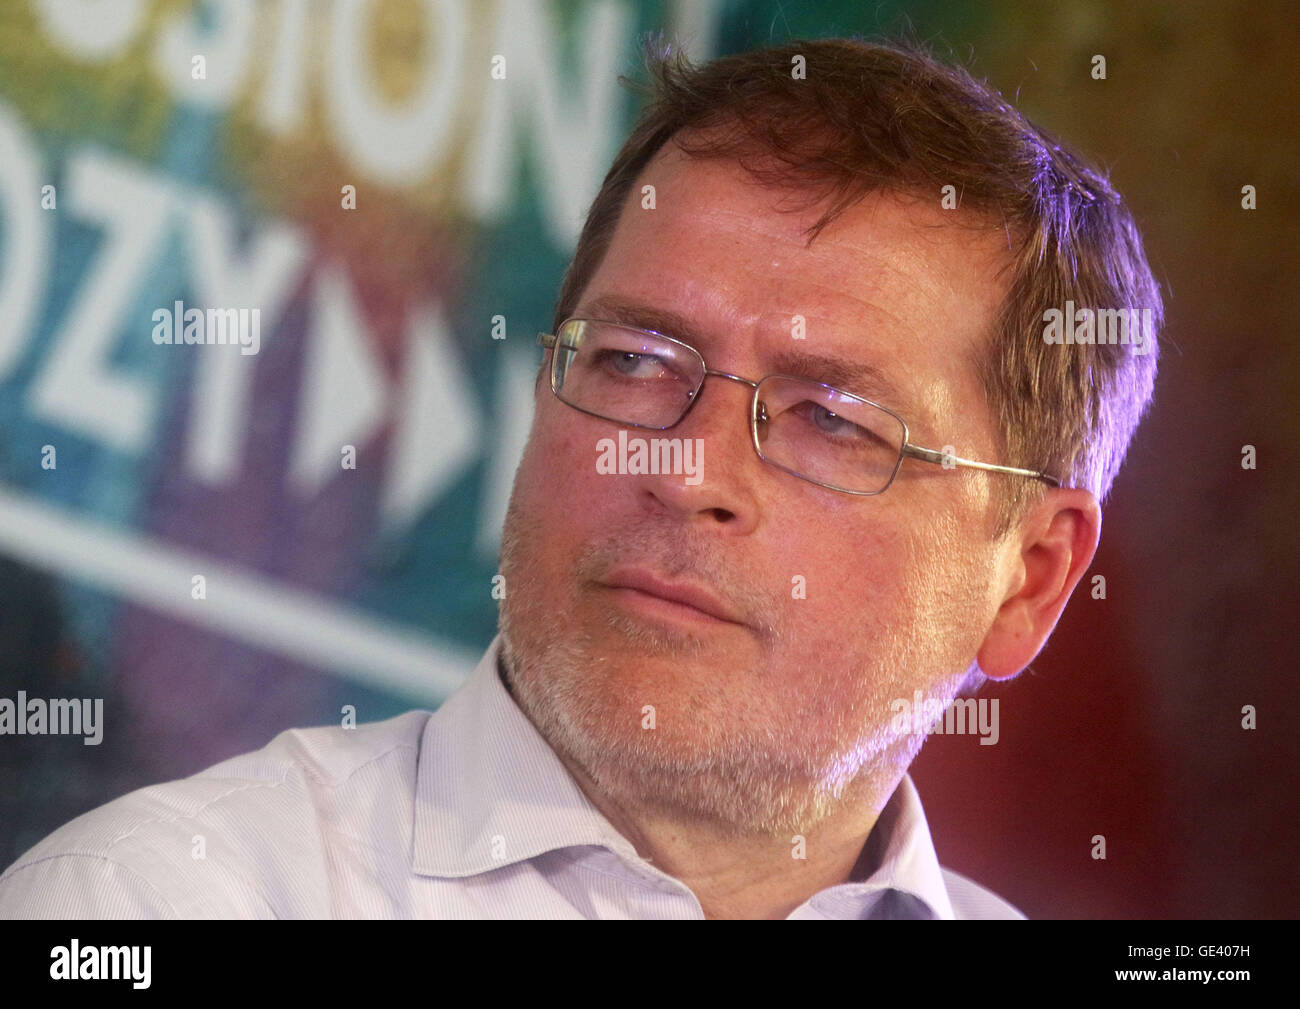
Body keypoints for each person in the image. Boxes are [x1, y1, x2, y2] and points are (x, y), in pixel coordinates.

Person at [0, 36, 1161, 920]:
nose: (685, 466)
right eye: (636, 361)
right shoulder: (151, 901)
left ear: (1030, 577)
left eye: (830, 419)